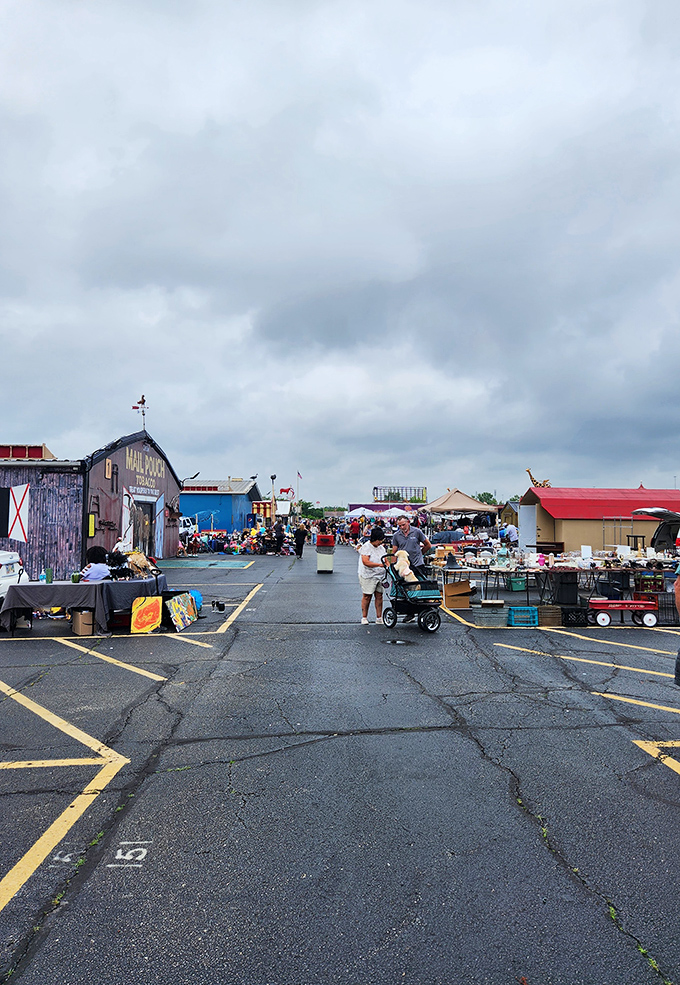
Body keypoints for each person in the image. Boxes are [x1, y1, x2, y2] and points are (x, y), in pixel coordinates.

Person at [392, 516, 432, 621]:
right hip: (405, 566)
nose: (401, 527)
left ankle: (424, 612)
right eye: (399, 525)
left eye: (403, 525)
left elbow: (428, 545)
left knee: (420, 586)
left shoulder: (417, 532)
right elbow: (394, 551)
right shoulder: (396, 535)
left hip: (418, 564)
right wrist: (392, 566)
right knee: (407, 589)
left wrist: (421, 554)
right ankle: (410, 614)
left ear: (408, 522)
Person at [358, 527, 387, 624]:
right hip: (368, 574)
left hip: (380, 575)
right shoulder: (366, 547)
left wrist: (387, 566)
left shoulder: (381, 548)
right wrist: (379, 565)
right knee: (367, 595)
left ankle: (379, 617)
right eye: (379, 540)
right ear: (374, 539)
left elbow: (385, 560)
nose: (380, 542)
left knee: (379, 595)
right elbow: (366, 562)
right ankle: (364, 617)